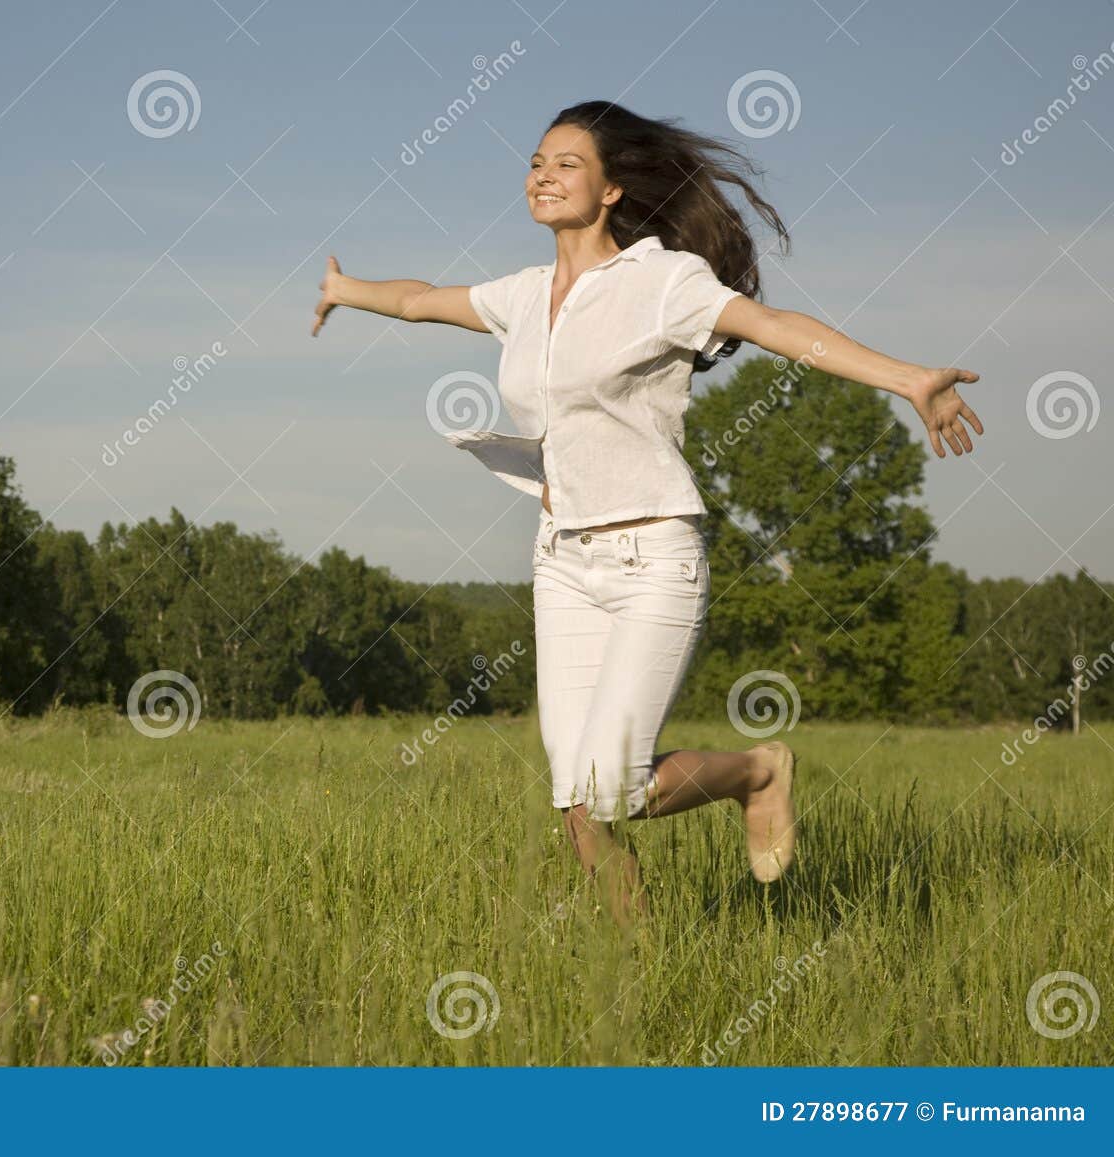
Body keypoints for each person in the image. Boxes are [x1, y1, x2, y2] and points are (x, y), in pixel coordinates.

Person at [309, 100, 984, 924]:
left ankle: (758, 773)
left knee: (609, 784)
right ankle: (633, 958)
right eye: (534, 161)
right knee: (572, 794)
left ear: (612, 191)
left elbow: (772, 326)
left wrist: (906, 376)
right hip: (562, 560)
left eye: (566, 164)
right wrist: (346, 289)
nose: (542, 175)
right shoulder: (523, 297)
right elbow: (419, 301)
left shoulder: (660, 280)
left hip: (650, 556)